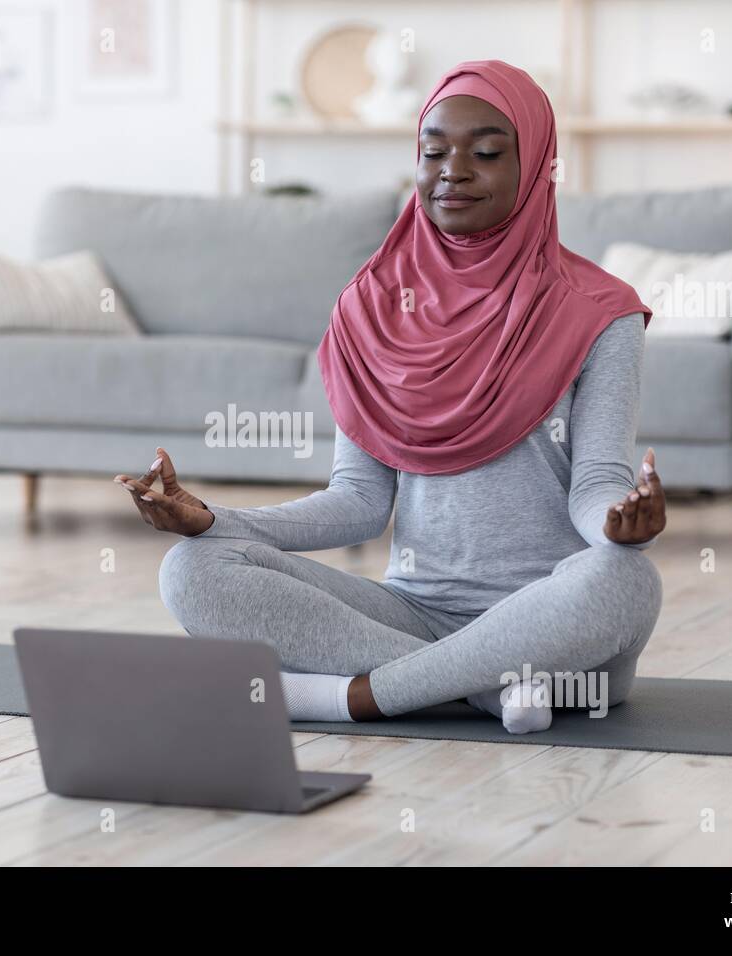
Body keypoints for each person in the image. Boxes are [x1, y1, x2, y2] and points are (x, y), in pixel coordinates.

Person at [116, 60, 665, 734]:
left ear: (538, 166)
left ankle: (354, 698)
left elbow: (596, 485)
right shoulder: (370, 306)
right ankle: (484, 691)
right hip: (414, 614)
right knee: (192, 569)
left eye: (486, 152)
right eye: (433, 151)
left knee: (626, 581)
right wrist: (213, 520)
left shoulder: (600, 311)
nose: (452, 170)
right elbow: (358, 503)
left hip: (552, 622)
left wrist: (618, 521)